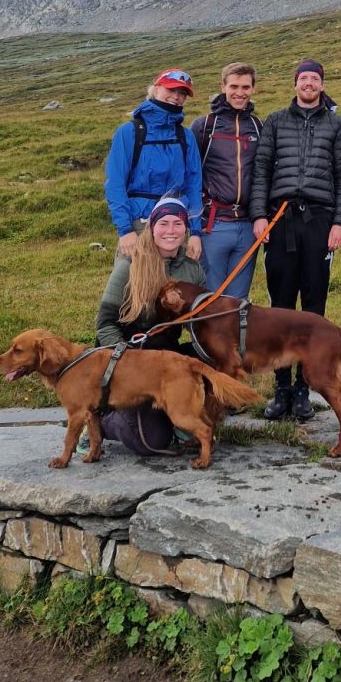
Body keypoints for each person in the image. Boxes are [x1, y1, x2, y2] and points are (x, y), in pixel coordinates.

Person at [249, 59, 341, 421]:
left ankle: (303, 390)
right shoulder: (276, 121)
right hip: (280, 219)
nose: (309, 83)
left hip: (320, 221)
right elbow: (261, 168)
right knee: (280, 306)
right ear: (295, 85)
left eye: (315, 78)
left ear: (322, 85)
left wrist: (340, 222)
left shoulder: (337, 125)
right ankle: (280, 389)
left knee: (313, 305)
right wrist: (259, 215)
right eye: (303, 78)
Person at [93, 196, 207, 453]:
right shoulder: (129, 266)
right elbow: (104, 323)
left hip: (166, 354)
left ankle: (182, 413)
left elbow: (199, 321)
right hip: (127, 355)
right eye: (163, 223)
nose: (170, 231)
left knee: (211, 358)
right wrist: (126, 359)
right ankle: (100, 421)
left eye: (177, 224)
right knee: (150, 442)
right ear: (151, 228)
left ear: (186, 229)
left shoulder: (193, 270)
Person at [103, 69, 203, 260]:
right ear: (155, 90)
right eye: (171, 89)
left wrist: (195, 233)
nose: (176, 97)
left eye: (182, 93)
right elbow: (115, 184)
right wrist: (125, 230)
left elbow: (193, 186)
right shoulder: (129, 131)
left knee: (174, 288)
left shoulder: (185, 136)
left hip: (176, 225)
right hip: (140, 226)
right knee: (134, 287)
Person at [191, 62, 263, 298]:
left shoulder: (258, 126)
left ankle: (234, 337)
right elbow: (191, 175)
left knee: (238, 301)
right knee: (210, 298)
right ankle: (202, 337)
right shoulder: (204, 126)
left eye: (245, 86)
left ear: (253, 89)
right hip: (214, 224)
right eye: (233, 86)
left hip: (247, 225)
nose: (239, 92)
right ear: (223, 87)